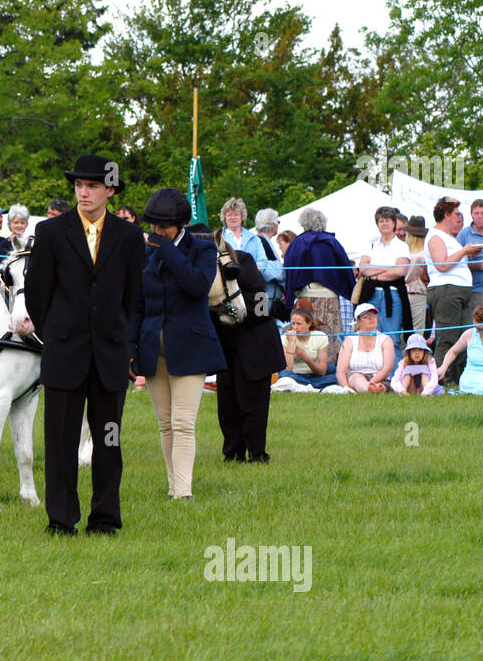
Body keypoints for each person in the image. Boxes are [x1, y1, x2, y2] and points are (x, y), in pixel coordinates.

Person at [25, 154, 144, 536]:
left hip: (109, 354)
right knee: (60, 441)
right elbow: (36, 294)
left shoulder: (128, 237)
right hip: (64, 352)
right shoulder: (50, 232)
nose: (83, 192)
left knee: (108, 439)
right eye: (78, 185)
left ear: (110, 190)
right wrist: (57, 333)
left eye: (92, 186)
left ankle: (105, 518)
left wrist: (120, 337)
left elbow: (135, 297)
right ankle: (60, 519)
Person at [129, 188, 224, 501]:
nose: (156, 232)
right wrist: (130, 346)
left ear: (180, 224)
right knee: (165, 424)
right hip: (151, 346)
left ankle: (183, 492)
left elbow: (197, 287)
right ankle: (173, 486)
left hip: (190, 345)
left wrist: (167, 250)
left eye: (163, 226)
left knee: (183, 422)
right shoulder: (146, 253)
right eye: (153, 226)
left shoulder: (203, 250)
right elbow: (138, 304)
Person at [198, 224, 282, 461]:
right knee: (227, 403)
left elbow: (261, 304)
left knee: (253, 402)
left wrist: (231, 311)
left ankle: (257, 453)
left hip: (255, 343)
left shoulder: (243, 261)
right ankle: (232, 453)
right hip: (228, 345)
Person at [283, 207, 356, 367]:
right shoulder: (333, 243)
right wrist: (354, 295)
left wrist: (289, 299)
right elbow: (346, 272)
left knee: (307, 336)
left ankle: (305, 369)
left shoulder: (297, 244)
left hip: (305, 299)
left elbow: (289, 273)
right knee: (330, 336)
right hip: (331, 300)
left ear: (303, 223)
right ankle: (330, 369)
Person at [425, 196, 483, 386]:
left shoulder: (451, 238)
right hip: (446, 290)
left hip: (460, 291)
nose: (460, 218)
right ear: (446, 215)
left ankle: (458, 381)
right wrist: (465, 251)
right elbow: (442, 265)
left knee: (465, 337)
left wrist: (469, 253)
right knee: (447, 337)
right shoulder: (435, 236)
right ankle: (441, 382)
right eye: (457, 214)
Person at [357, 206, 411, 347]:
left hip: (392, 296)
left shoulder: (402, 246)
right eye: (381, 221)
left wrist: (375, 273)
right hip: (371, 295)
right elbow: (363, 268)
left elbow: (400, 271)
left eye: (387, 220)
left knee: (391, 339)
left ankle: (393, 369)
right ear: (377, 224)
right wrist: (388, 268)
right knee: (369, 338)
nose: (385, 223)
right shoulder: (371, 246)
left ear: (393, 223)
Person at [336, 303, 395, 393]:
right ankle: (369, 389)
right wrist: (347, 388)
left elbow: (387, 369)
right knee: (356, 377)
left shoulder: (386, 340)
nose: (371, 318)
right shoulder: (350, 341)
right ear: (358, 321)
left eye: (374, 315)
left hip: (380, 379)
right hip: (355, 379)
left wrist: (372, 382)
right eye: (366, 317)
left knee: (381, 386)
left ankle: (373, 389)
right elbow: (340, 371)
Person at [278, 308, 335, 389]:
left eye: (299, 324)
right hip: (294, 374)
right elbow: (288, 369)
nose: (295, 327)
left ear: (309, 324)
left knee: (334, 371)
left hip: (315, 375)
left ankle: (303, 386)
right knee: (284, 375)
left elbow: (321, 371)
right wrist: (291, 343)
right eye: (293, 324)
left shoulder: (321, 336)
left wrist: (305, 357)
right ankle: (314, 386)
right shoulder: (286, 337)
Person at [219, 197, 270, 279]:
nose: (233, 217)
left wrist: (255, 268)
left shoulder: (254, 238)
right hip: (229, 284)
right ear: (224, 217)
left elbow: (263, 260)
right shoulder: (219, 238)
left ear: (242, 217)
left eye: (236, 214)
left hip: (252, 282)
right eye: (229, 215)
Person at [403, 216, 429, 334]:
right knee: (417, 331)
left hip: (403, 291)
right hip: (418, 292)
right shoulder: (424, 254)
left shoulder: (405, 252)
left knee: (402, 329)